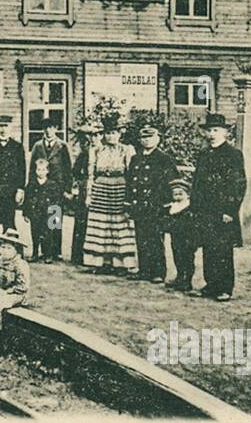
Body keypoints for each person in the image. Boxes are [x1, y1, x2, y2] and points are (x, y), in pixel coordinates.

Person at [190, 114, 247, 302]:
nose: (212, 134)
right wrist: (195, 208)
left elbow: (238, 184)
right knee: (208, 247)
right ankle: (210, 284)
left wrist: (230, 210)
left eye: (216, 130)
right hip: (204, 210)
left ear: (225, 132)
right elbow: (197, 183)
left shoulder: (233, 154)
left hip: (223, 211)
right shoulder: (204, 154)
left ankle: (225, 288)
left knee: (223, 249)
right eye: (209, 130)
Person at [81, 117, 138, 274]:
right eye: (108, 133)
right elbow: (91, 174)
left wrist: (130, 196)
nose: (111, 136)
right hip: (100, 190)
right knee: (101, 225)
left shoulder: (127, 150)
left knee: (119, 225)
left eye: (114, 133)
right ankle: (101, 262)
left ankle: (120, 263)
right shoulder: (97, 150)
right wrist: (89, 195)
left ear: (120, 134)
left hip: (120, 190)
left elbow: (132, 174)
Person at [126, 124, 179, 283]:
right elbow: (130, 181)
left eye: (150, 137)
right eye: (144, 138)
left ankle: (158, 272)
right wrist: (128, 202)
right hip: (139, 204)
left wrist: (166, 203)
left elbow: (172, 183)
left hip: (155, 205)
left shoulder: (165, 159)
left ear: (157, 139)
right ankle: (144, 269)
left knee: (155, 239)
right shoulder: (136, 158)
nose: (147, 141)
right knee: (141, 238)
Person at [69, 122, 102, 265]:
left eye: (95, 135)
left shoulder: (103, 152)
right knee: (81, 221)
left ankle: (95, 257)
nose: (91, 139)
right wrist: (77, 185)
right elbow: (75, 171)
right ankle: (78, 255)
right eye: (89, 136)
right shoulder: (84, 153)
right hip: (84, 191)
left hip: (99, 189)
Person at [23, 157, 63, 262]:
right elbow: (27, 199)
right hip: (35, 212)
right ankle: (35, 253)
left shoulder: (52, 184)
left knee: (47, 233)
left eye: (43, 170)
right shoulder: (32, 184)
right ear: (35, 170)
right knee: (35, 232)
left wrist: (55, 216)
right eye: (38, 170)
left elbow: (56, 200)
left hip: (48, 213)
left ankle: (47, 254)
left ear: (48, 171)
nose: (41, 172)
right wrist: (25, 213)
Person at [165, 177, 197, 294]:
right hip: (176, 237)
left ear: (187, 194)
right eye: (175, 194)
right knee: (177, 256)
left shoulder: (188, 207)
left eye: (180, 194)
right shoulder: (172, 207)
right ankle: (179, 276)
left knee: (187, 258)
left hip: (187, 237)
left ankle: (187, 280)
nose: (178, 196)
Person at [29, 122, 73, 194]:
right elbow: (32, 168)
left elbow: (68, 169)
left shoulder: (63, 146)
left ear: (56, 129)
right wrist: (32, 186)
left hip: (58, 185)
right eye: (45, 127)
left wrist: (68, 189)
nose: (48, 130)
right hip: (40, 186)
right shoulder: (37, 146)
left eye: (51, 127)